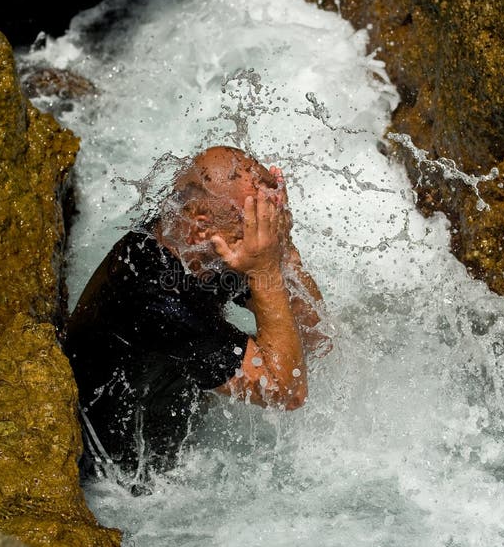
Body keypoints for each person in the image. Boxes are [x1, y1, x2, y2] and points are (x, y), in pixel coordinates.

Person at [64, 145, 329, 479]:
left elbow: (316, 338)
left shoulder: (203, 244)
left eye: (266, 215)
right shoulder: (157, 297)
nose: (260, 230)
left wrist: (283, 249)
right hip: (111, 474)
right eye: (253, 218)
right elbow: (287, 392)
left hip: (165, 420)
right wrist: (268, 270)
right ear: (202, 226)